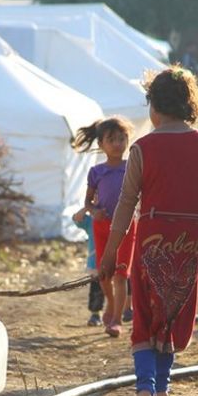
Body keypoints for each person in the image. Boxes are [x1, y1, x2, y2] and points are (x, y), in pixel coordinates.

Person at [100, 66, 198, 396]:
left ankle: (145, 387)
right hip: (188, 242)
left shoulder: (143, 148)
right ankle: (162, 389)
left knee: (146, 314)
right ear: (189, 105)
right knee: (173, 309)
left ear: (155, 107)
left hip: (151, 240)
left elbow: (125, 204)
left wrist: (110, 252)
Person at [73, 116, 136, 338]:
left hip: (127, 227)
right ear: (101, 145)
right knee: (103, 274)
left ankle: (117, 319)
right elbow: (88, 202)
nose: (118, 143)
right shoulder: (96, 172)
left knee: (121, 274)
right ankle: (110, 304)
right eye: (112, 140)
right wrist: (93, 211)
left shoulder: (132, 168)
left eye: (122, 138)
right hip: (102, 226)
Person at [71, 205, 105, 327]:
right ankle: (96, 313)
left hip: (115, 258)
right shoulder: (91, 220)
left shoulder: (116, 216)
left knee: (122, 284)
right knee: (97, 287)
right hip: (96, 260)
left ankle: (123, 312)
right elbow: (76, 219)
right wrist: (87, 206)